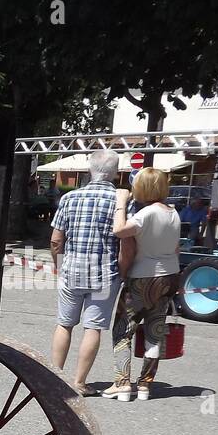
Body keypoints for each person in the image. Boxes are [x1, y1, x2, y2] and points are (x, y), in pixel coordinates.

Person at [49, 149, 122, 395]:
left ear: (90, 169)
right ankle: (79, 382)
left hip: (72, 270)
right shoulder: (120, 202)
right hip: (105, 273)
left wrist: (59, 265)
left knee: (64, 324)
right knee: (93, 327)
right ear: (115, 172)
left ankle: (55, 378)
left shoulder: (70, 198)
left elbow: (56, 240)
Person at [106, 168, 181, 401]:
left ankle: (122, 383)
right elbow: (177, 248)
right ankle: (145, 384)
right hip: (169, 275)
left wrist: (120, 202)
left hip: (143, 276)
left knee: (123, 330)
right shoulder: (174, 213)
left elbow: (119, 231)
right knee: (154, 330)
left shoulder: (146, 213)